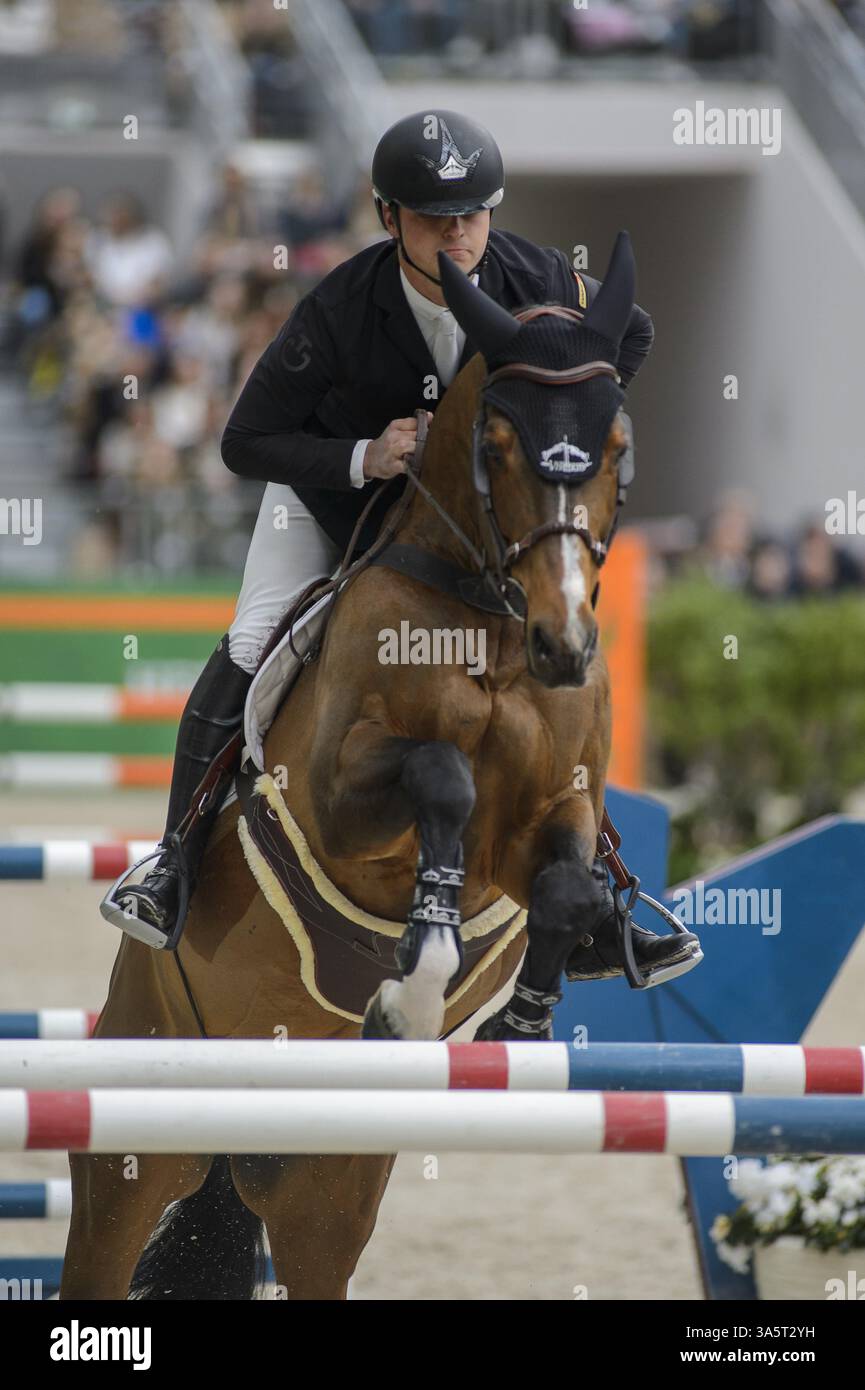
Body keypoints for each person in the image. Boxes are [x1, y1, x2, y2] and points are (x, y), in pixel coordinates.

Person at [105, 109, 667, 984]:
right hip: (332, 501)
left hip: (475, 522)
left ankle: (607, 893)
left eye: (474, 212)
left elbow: (626, 337)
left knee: (553, 657)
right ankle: (173, 860)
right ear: (386, 217)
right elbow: (245, 441)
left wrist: (557, 420)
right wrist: (367, 455)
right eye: (434, 215)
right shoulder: (338, 307)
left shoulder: (540, 276)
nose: (459, 231)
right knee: (256, 637)